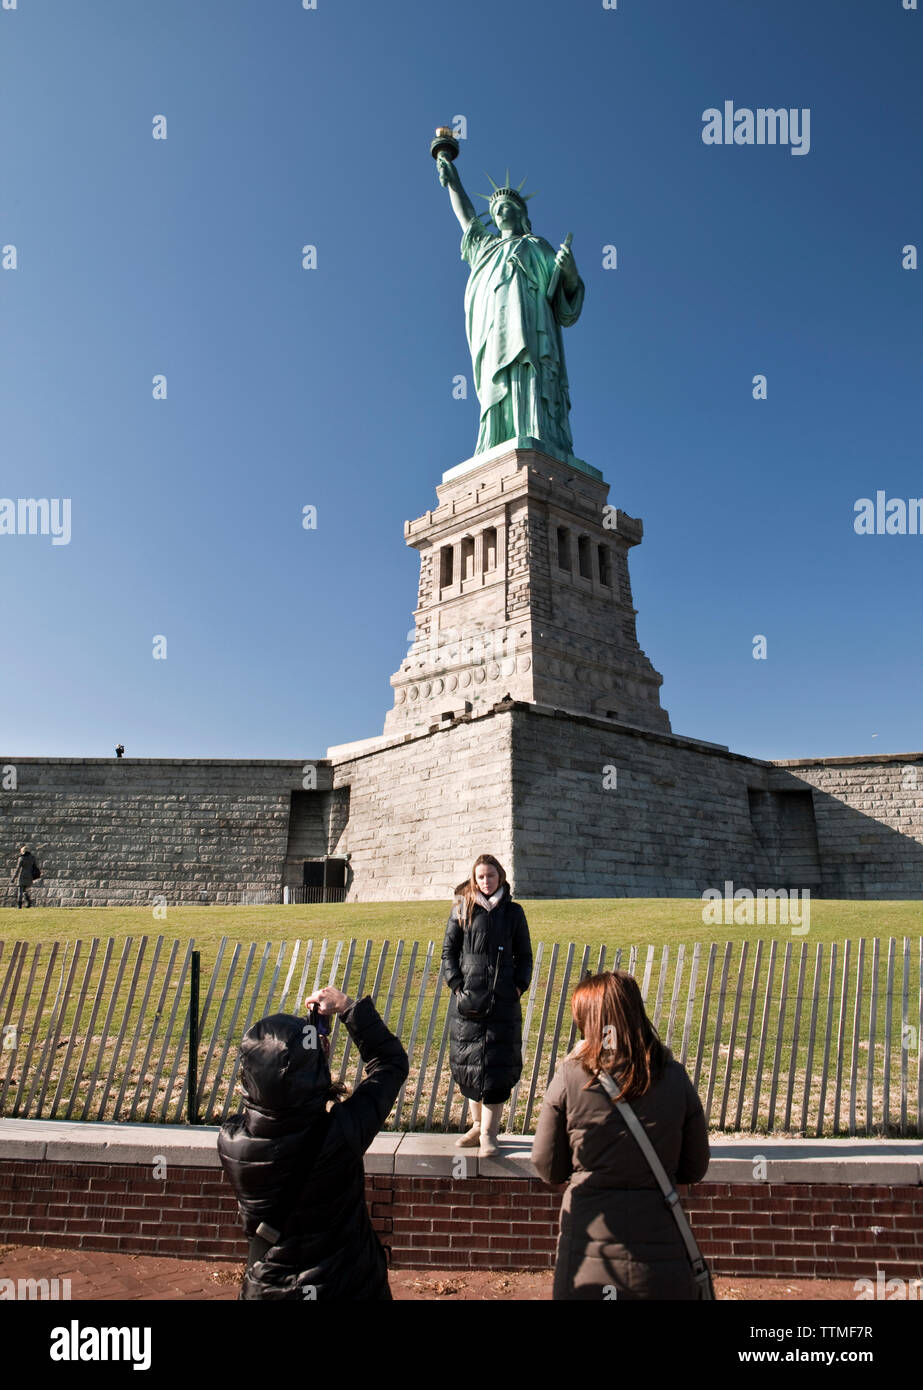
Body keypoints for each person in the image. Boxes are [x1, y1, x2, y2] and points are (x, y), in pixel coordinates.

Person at [216, 985, 408, 1300]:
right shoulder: (341, 1134)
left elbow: (274, 1100)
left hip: (269, 1289)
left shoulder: (231, 1141)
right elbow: (390, 1063)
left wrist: (312, 1060)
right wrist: (347, 1008)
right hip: (346, 1287)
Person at [531, 970, 710, 1300]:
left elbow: (547, 1166)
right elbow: (694, 1168)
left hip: (586, 1261)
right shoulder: (673, 1076)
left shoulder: (569, 1078)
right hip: (662, 1260)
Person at [437, 152, 584, 462]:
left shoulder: (536, 246)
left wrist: (569, 274)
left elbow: (563, 306)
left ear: (520, 214)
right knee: (496, 379)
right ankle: (497, 437)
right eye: (496, 208)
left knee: (531, 371)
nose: (501, 210)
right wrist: (454, 182)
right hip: (493, 332)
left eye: (507, 206)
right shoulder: (485, 249)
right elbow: (467, 219)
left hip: (532, 329)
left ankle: (538, 432)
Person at [441, 853, 532, 1156]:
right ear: (473, 878)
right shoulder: (461, 909)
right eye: (480, 876)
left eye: (490, 876)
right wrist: (457, 987)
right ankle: (477, 1126)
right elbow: (448, 952)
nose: (485, 881)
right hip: (468, 1001)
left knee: (496, 1063)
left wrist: (517, 987)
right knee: (469, 1062)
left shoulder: (514, 913)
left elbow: (525, 956)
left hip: (503, 1001)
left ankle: (489, 1135)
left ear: (500, 877)